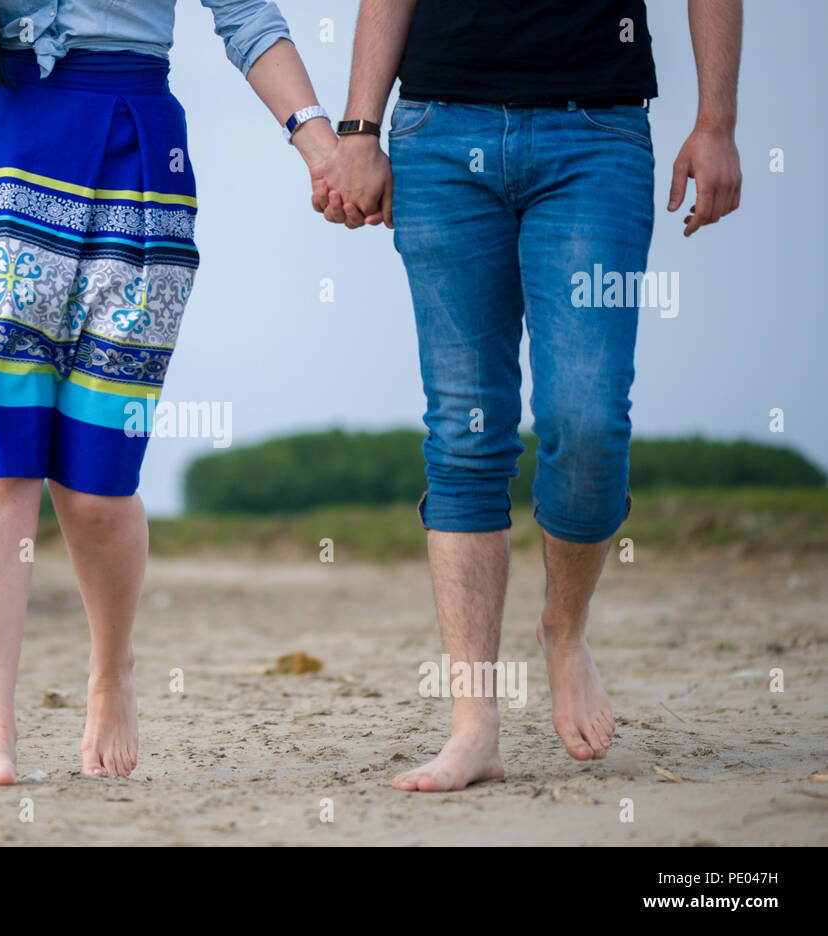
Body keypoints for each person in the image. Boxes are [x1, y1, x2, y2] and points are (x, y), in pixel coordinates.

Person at [0, 1, 336, 785]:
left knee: (93, 486)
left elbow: (247, 14)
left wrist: (320, 143)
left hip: (134, 154)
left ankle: (113, 670)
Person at [318, 0, 743, 791]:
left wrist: (716, 121)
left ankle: (565, 627)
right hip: (439, 131)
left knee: (586, 421)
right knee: (465, 434)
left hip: (597, 136)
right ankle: (474, 726)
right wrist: (359, 130)